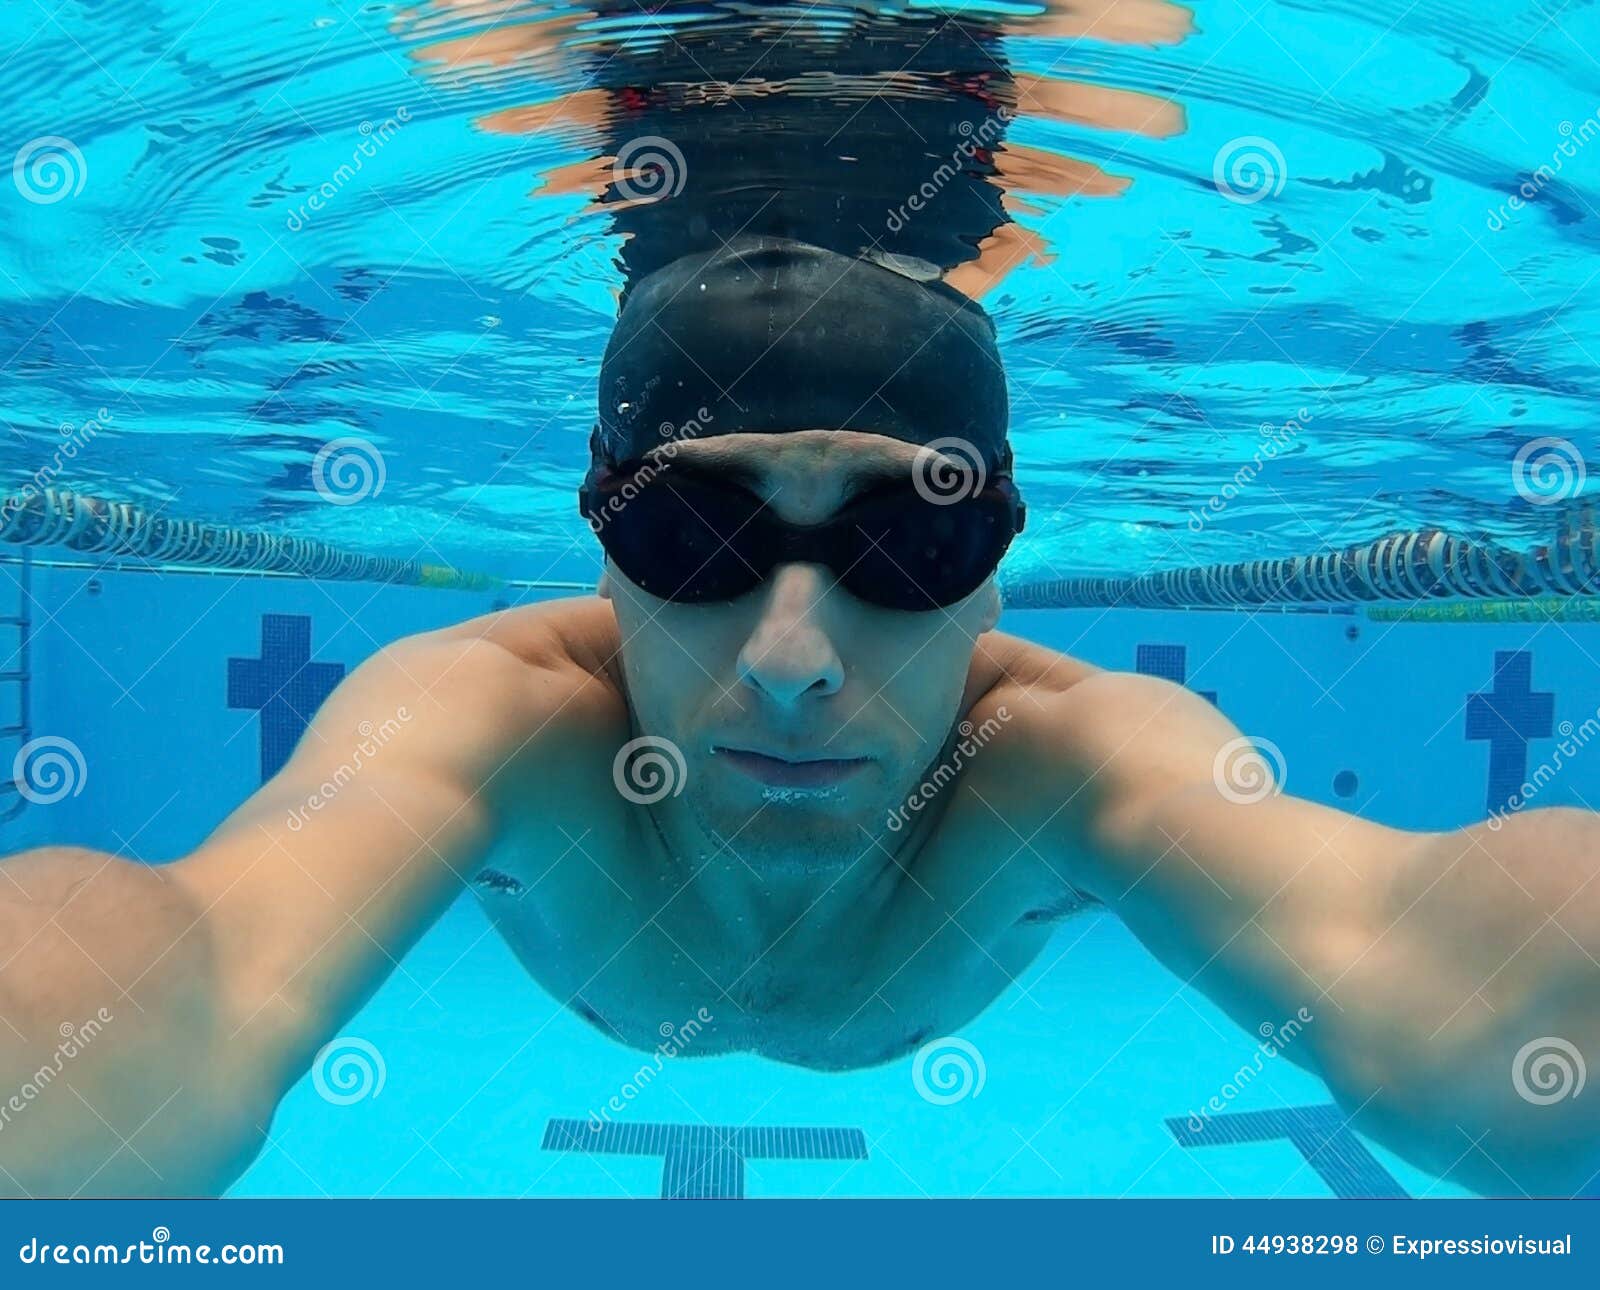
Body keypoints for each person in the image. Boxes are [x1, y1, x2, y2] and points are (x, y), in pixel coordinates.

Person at [1, 234, 1597, 1200]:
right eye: (693, 535)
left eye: (909, 545)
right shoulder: (497, 718)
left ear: (994, 577)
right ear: (602, 553)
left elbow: (1417, 952)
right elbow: (193, 970)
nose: (790, 657)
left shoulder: (1061, 756)